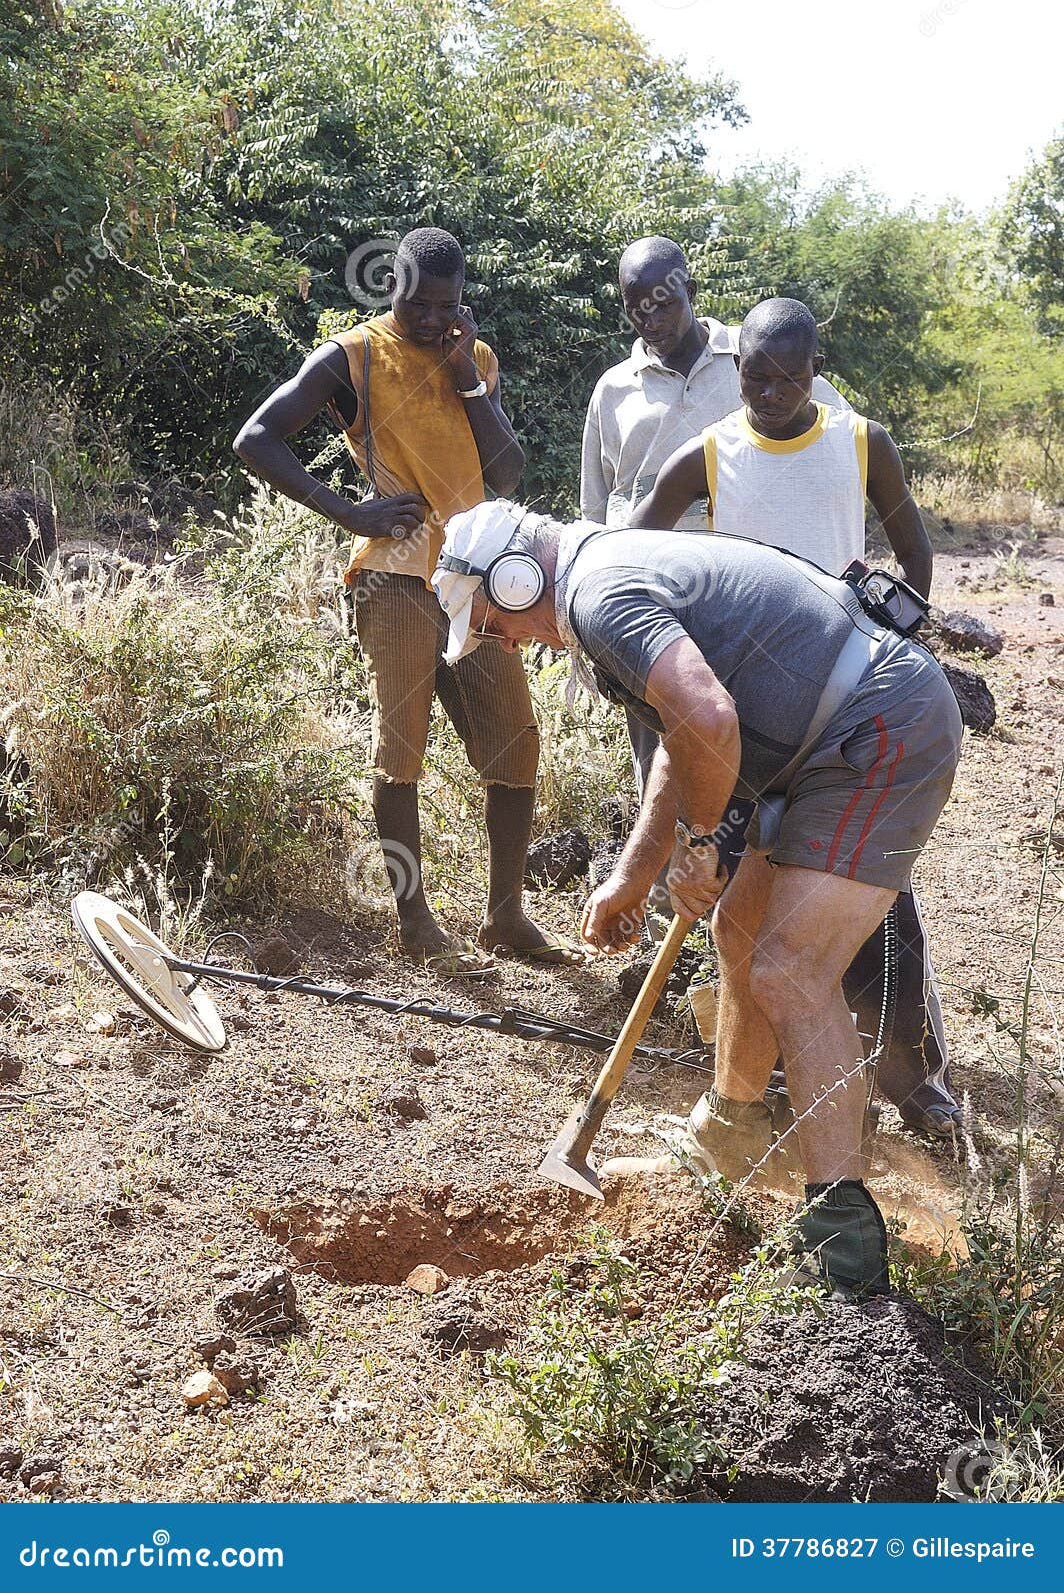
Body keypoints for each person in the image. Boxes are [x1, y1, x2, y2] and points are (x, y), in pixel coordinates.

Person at [429, 498, 964, 1296]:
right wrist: (636, 874)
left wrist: (707, 843)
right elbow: (688, 732)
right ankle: (732, 1137)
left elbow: (710, 718)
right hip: (822, 740)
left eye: (491, 623)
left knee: (790, 971)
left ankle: (844, 1247)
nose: (501, 641)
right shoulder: (598, 581)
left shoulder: (598, 595)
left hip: (880, 729)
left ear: (511, 579)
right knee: (739, 932)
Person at [582, 239, 960, 1138]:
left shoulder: (860, 441)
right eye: (754, 378)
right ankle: (758, 1089)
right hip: (749, 718)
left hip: (847, 702)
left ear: (815, 373)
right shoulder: (708, 453)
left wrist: (901, 614)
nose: (770, 394)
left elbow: (916, 546)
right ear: (736, 369)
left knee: (877, 907)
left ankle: (917, 1079)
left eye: (788, 380)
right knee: (741, 910)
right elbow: (636, 543)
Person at [234, 226, 570, 971]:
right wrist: (350, 512)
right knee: (403, 750)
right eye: (418, 304)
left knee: (515, 741)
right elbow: (256, 438)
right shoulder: (350, 355)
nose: (430, 319)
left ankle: (506, 916)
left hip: (479, 585)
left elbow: (506, 474)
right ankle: (414, 921)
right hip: (395, 577)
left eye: (446, 306)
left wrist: (466, 375)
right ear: (392, 286)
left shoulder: (472, 359)